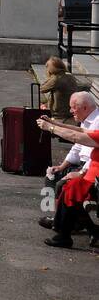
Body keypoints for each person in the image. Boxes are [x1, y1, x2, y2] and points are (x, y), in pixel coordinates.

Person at [37, 103, 99, 249]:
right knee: (68, 187)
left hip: (95, 181)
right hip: (91, 177)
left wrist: (50, 128)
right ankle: (79, 231)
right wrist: (54, 123)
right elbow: (81, 130)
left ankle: (64, 234)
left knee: (69, 187)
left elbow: (75, 136)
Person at [41, 57, 87, 122]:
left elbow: (42, 89)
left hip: (61, 113)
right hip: (70, 109)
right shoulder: (69, 75)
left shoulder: (56, 79)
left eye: (47, 67)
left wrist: (50, 76)